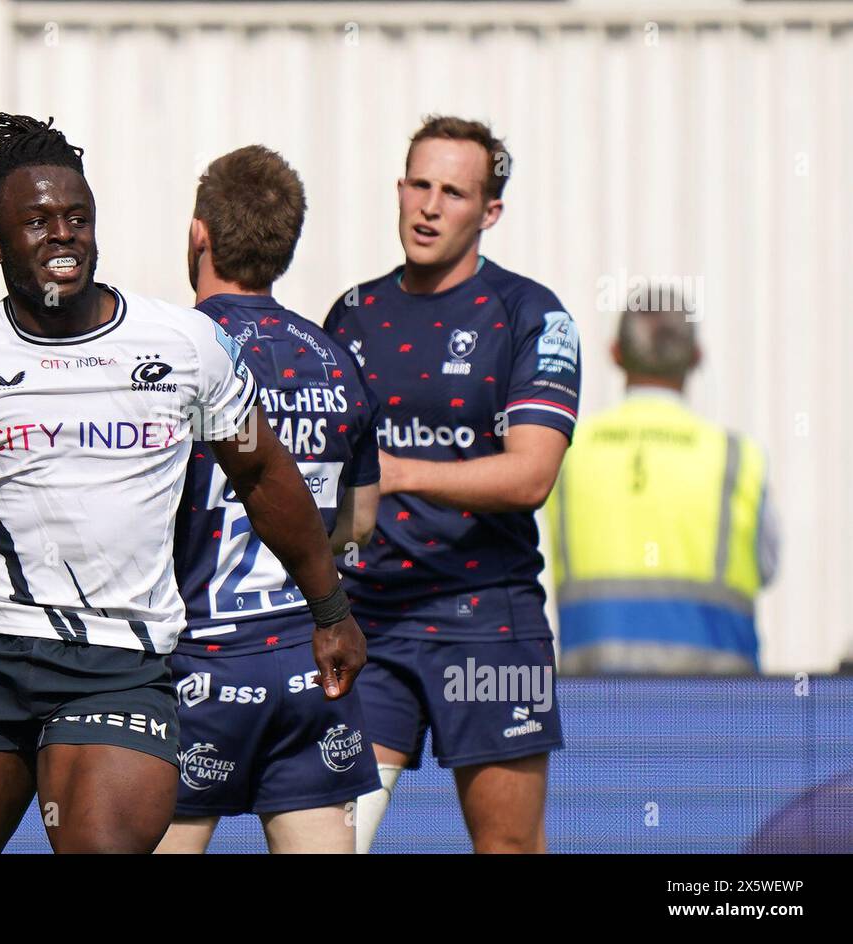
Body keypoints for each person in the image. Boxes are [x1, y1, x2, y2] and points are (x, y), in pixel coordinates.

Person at [0, 113, 367, 853]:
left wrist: (330, 609)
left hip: (120, 671)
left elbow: (261, 471)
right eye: (36, 222)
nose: (62, 234)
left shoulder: (186, 346)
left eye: (77, 218)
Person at [325, 115, 580, 854]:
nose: (430, 206)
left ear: (489, 212)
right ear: (400, 189)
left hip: (489, 627)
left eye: (454, 193)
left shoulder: (531, 314)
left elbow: (532, 474)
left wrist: (399, 474)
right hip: (368, 622)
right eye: (419, 184)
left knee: (507, 848)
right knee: (334, 843)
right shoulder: (353, 314)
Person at [155, 146, 382, 854]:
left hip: (196, 661)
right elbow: (362, 523)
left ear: (200, 234)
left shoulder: (173, 352)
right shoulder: (333, 358)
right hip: (311, 661)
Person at [545, 296, 778, 674]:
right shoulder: (737, 456)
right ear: (697, 357)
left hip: (594, 704)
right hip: (723, 708)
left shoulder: (567, 450)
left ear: (615, 354)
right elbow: (768, 567)